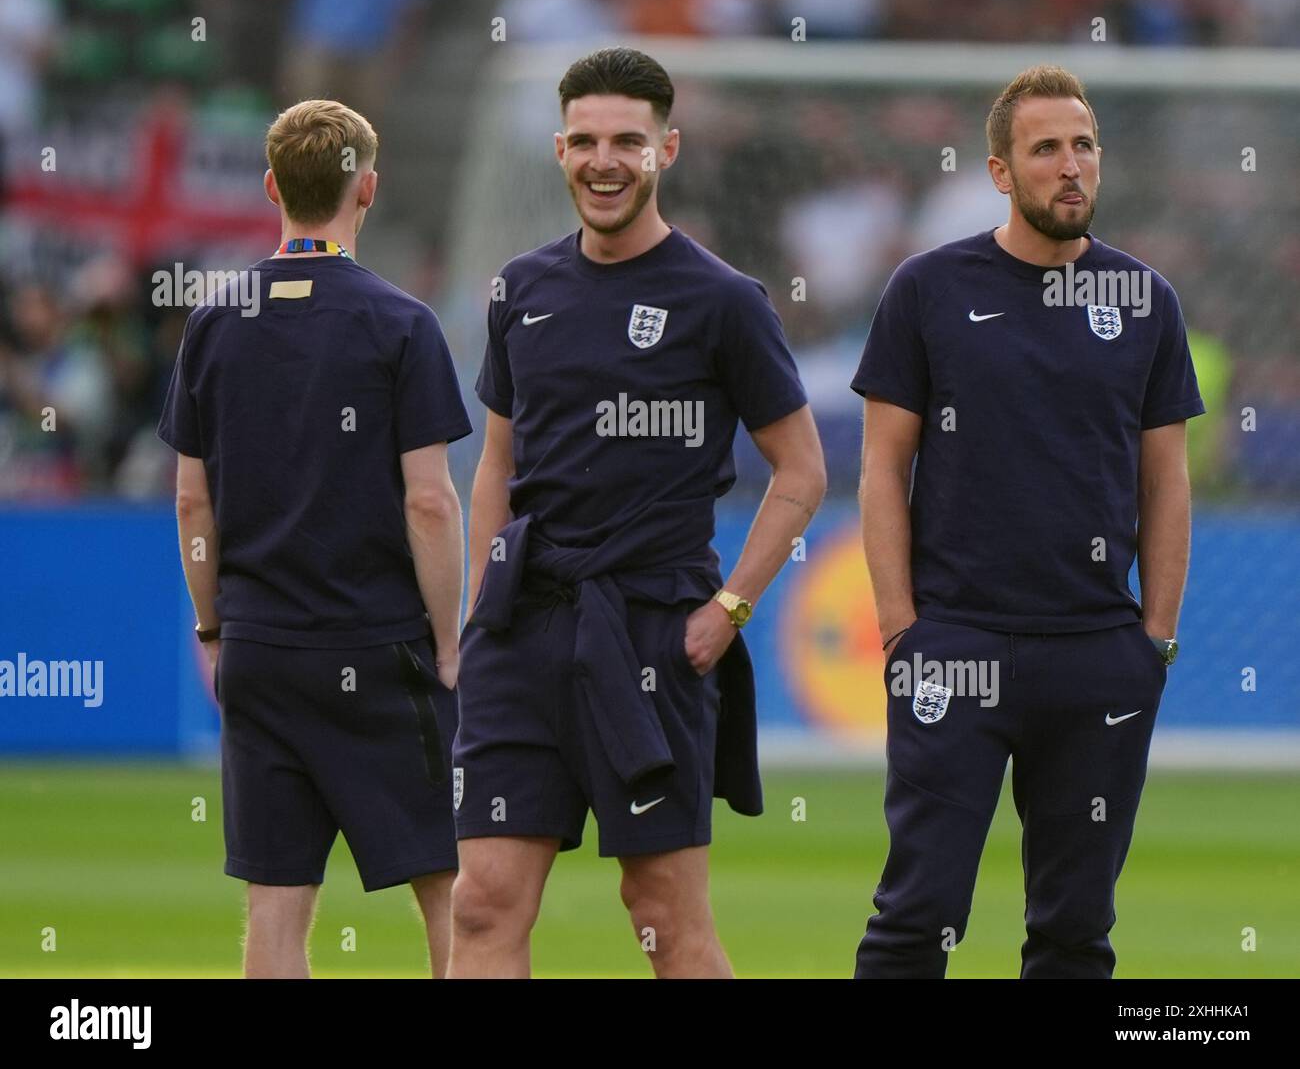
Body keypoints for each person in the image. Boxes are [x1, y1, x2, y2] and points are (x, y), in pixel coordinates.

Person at [448, 47, 826, 979]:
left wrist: (729, 609)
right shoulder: (521, 288)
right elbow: (496, 463)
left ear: (668, 148)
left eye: (627, 141)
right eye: (584, 141)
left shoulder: (723, 300)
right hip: (523, 629)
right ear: (559, 150)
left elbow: (802, 471)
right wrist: (481, 609)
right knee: (483, 902)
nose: (604, 161)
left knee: (661, 912)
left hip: (653, 630)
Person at [851, 65, 1203, 978]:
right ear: (1001, 173)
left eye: (1084, 145)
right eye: (1046, 149)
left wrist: (1154, 639)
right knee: (917, 916)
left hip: (1098, 655)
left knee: (1075, 930)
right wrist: (901, 628)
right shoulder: (928, 289)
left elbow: (1166, 482)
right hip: (955, 644)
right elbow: (882, 468)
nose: (1070, 165)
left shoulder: (1145, 300)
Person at [157, 99, 470, 977]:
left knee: (277, 906)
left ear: (272, 187)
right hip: (381, 644)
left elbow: (190, 505)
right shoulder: (402, 323)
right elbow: (431, 504)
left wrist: (214, 629)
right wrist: (450, 642)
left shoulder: (213, 322)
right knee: (450, 886)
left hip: (262, 647)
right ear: (367, 188)